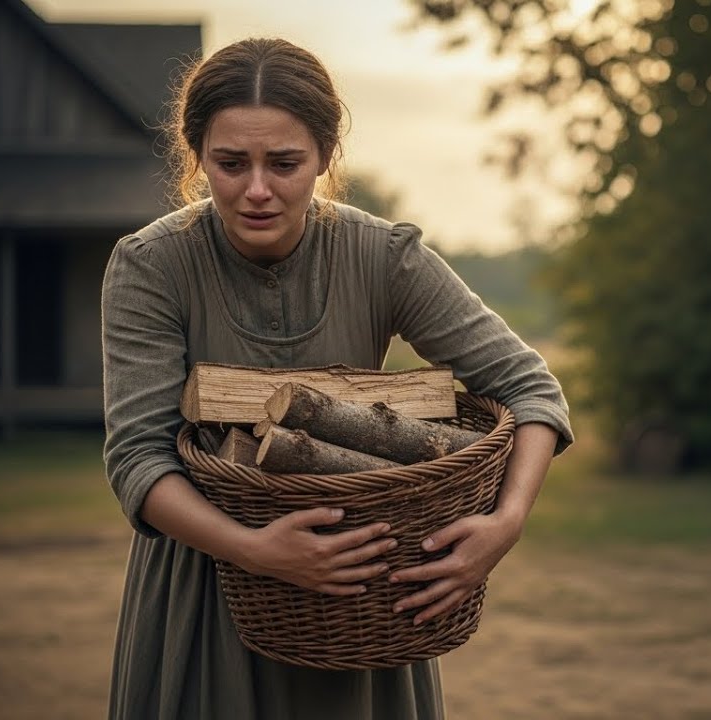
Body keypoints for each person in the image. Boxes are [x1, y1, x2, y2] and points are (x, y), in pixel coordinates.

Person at [100, 37, 572, 719]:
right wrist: (254, 551)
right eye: (230, 163)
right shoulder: (151, 264)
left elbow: (531, 389)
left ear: (325, 155)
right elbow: (138, 459)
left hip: (363, 608)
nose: (256, 189)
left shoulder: (384, 256)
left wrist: (506, 523)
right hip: (206, 595)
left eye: (284, 163)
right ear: (197, 154)